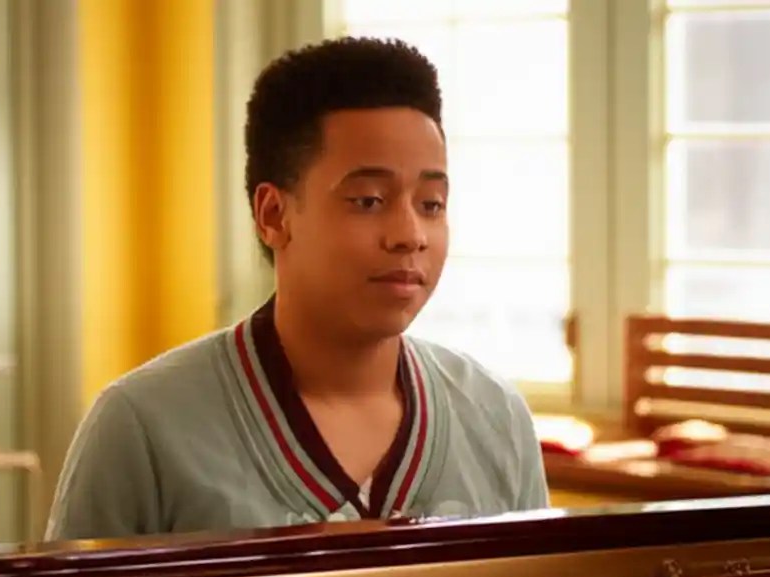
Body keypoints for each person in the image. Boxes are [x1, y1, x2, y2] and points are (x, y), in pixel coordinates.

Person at [46, 37, 548, 541]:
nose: (410, 235)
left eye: (431, 204)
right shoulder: (142, 426)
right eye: (369, 200)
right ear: (273, 215)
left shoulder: (495, 417)